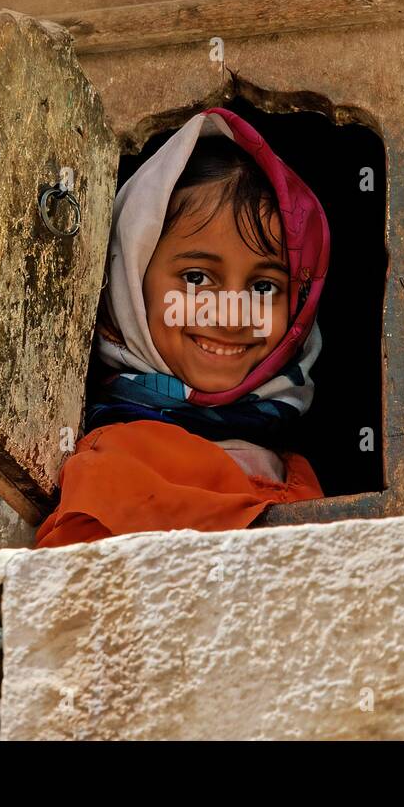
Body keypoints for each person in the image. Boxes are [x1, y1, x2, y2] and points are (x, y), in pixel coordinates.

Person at [35, 107, 331, 548]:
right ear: (128, 286)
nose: (230, 313)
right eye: (196, 278)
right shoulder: (111, 468)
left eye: (265, 285)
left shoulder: (297, 473)